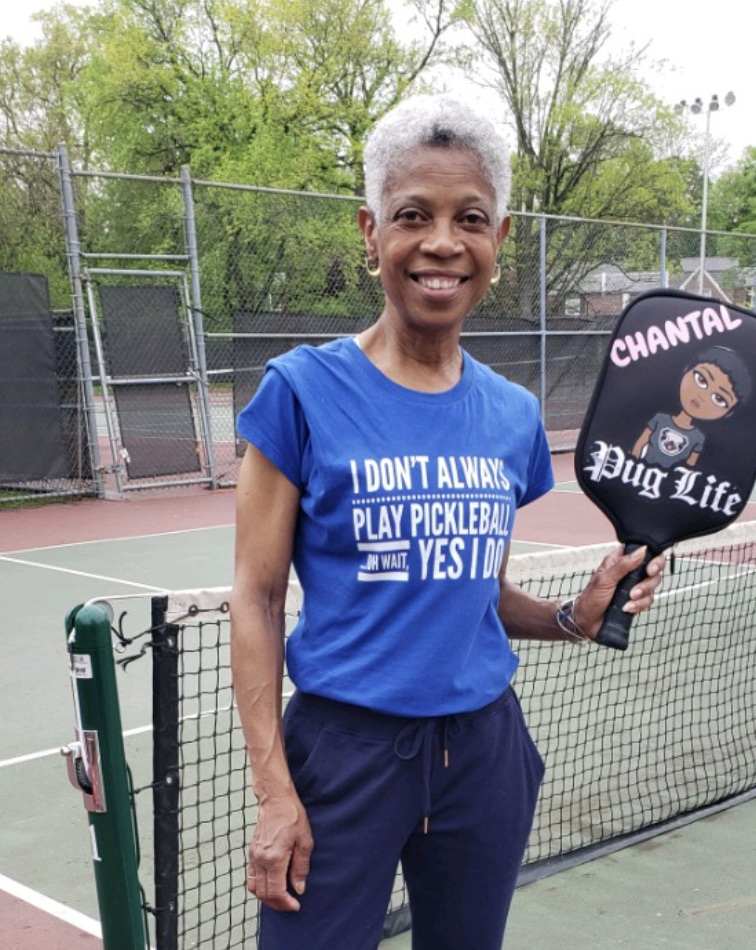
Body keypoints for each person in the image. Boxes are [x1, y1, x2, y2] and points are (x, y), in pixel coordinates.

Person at [230, 93, 666, 950]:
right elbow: (257, 597)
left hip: (484, 752)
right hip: (342, 754)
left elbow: (478, 593)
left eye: (469, 218)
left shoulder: (511, 414)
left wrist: (573, 616)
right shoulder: (299, 391)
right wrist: (276, 793)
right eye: (411, 215)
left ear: (499, 240)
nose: (441, 242)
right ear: (371, 234)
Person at [632, 346, 752, 469]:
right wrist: (634, 466)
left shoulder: (698, 438)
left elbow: (689, 466)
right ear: (686, 370)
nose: (702, 397)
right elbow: (640, 444)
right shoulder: (660, 419)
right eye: (701, 379)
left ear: (729, 413)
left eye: (719, 398)